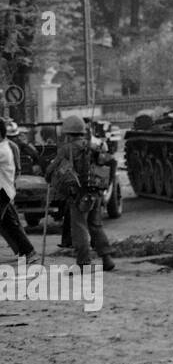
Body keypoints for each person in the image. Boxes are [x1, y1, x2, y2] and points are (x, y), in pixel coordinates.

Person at [44, 115, 115, 270]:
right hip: (95, 193)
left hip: (78, 195)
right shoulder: (92, 146)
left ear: (68, 133)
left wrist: (48, 175)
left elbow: (52, 167)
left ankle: (84, 262)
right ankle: (107, 258)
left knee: (79, 228)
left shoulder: (67, 149)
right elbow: (108, 161)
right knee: (96, 225)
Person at [0, 119, 37, 262]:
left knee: (11, 224)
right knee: (10, 224)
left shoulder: (3, 149)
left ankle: (28, 251)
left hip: (3, 192)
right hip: (5, 191)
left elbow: (18, 170)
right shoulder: (7, 146)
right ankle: (28, 251)